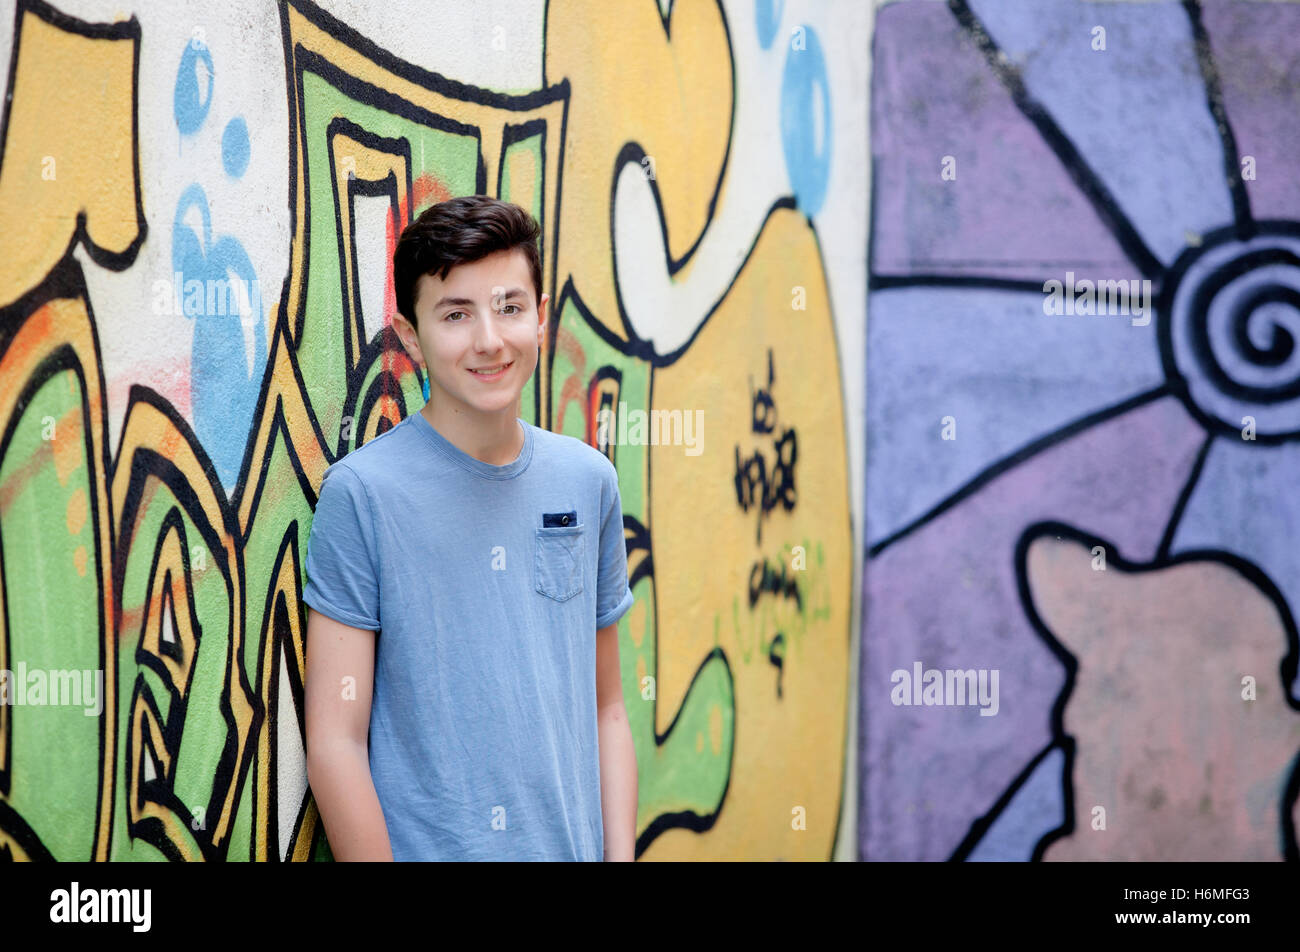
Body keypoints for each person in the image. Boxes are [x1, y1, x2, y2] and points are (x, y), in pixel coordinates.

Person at [302, 195, 637, 861]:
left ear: (540, 320)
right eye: (456, 314)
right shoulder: (364, 496)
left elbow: (607, 709)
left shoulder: (587, 480)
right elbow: (334, 741)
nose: (489, 339)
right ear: (412, 334)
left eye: (510, 307)